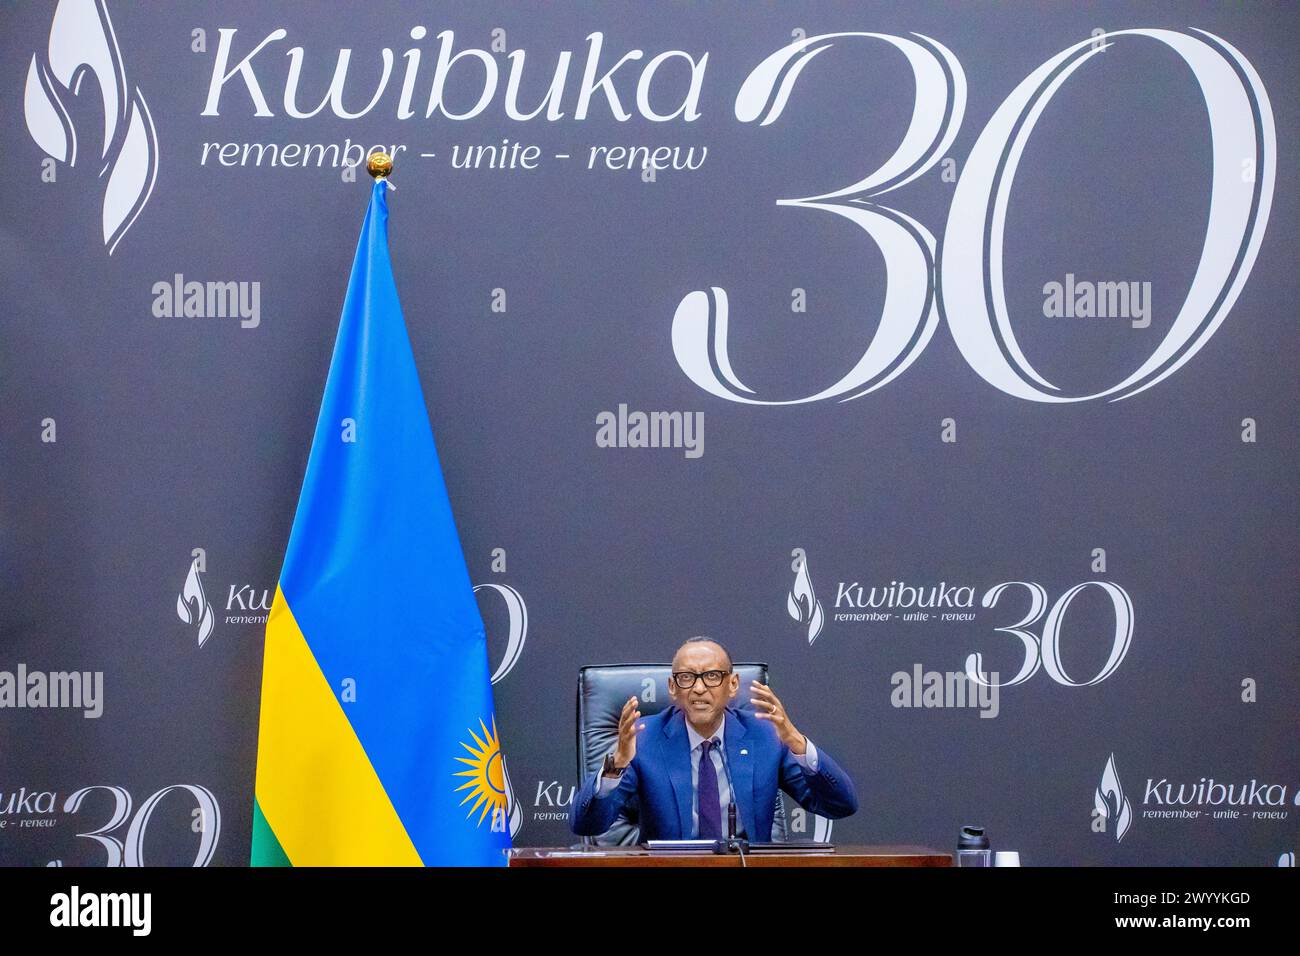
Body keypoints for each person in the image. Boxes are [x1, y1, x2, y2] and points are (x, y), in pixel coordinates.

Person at [569, 637, 858, 842]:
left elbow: (841, 804)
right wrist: (616, 765)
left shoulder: (765, 736)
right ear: (672, 687)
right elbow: (586, 825)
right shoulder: (643, 740)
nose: (698, 689)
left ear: (733, 685)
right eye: (686, 678)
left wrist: (796, 741)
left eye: (712, 676)